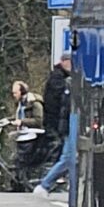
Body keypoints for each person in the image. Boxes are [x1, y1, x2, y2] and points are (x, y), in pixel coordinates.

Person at [33, 54, 77, 198]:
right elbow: (63, 106)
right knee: (69, 157)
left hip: (64, 123)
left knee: (70, 157)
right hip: (67, 123)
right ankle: (45, 184)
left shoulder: (63, 79)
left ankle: (70, 186)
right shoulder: (62, 80)